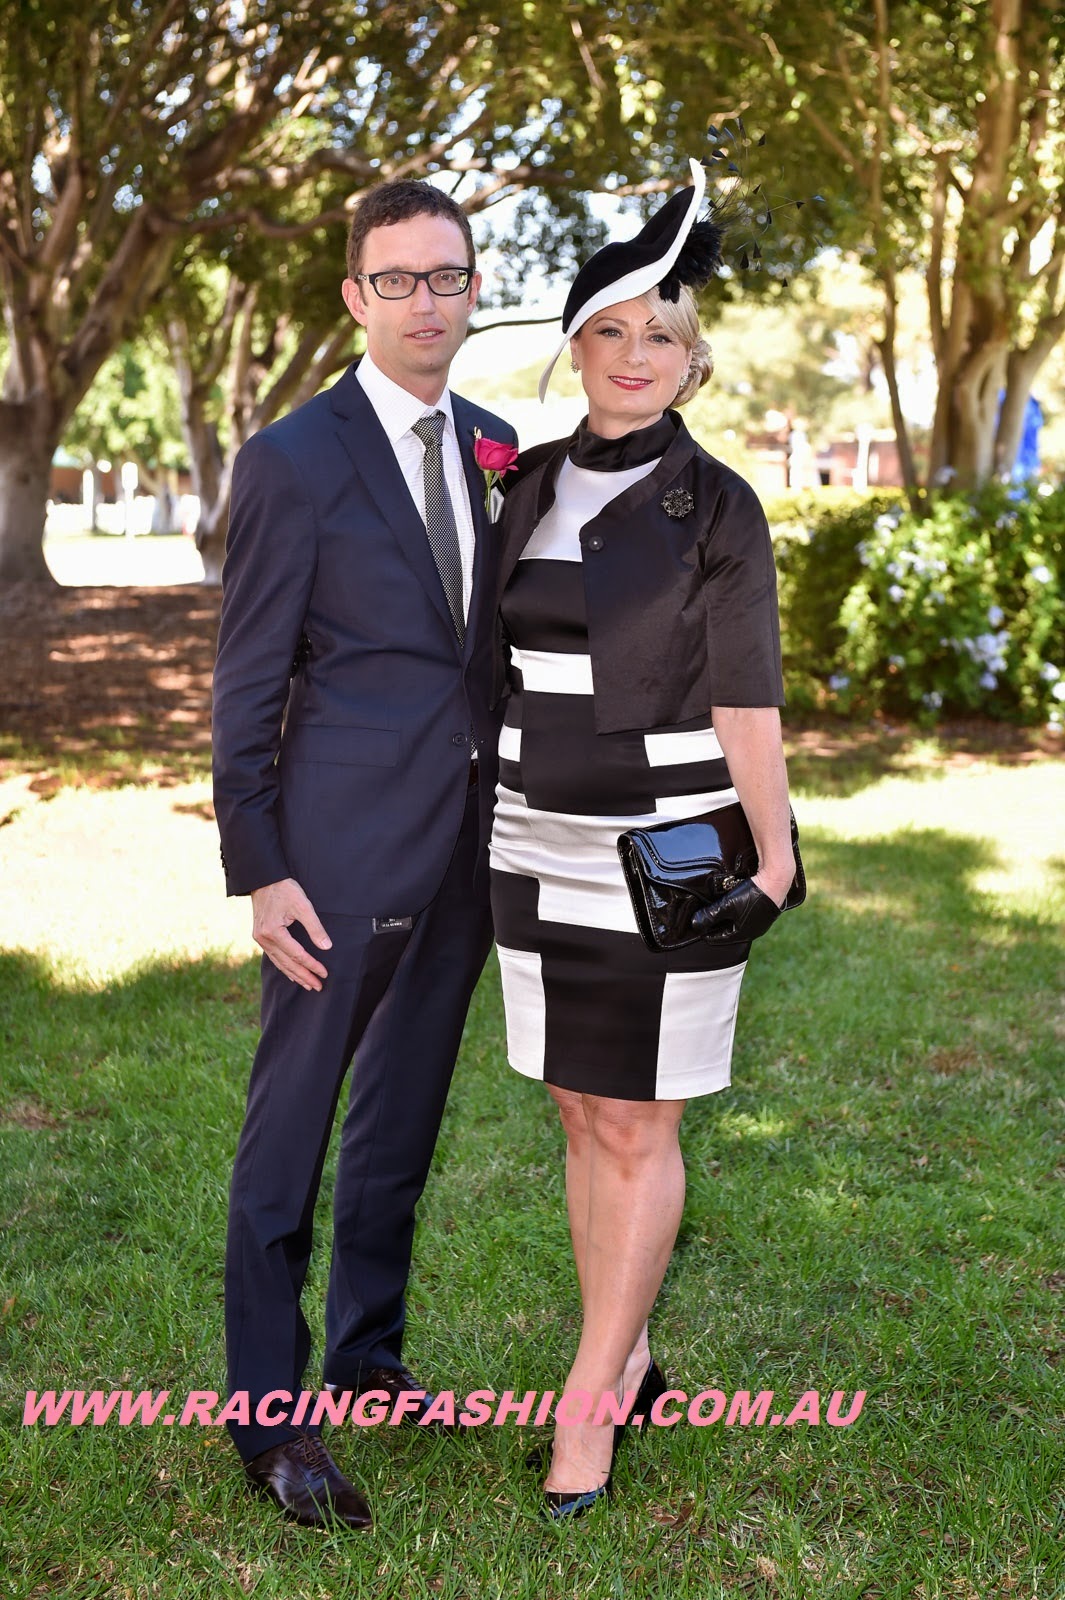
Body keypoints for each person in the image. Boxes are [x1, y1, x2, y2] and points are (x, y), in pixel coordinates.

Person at [489, 159, 797, 1518]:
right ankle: (632, 1347)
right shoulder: (528, 479)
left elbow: (747, 695)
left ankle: (590, 1400)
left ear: (692, 361)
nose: (633, 354)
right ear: (575, 349)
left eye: (659, 333)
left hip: (665, 848)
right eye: (609, 329)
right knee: (577, 1105)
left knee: (637, 1122)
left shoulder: (717, 504)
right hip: (526, 839)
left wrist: (772, 860)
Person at [212, 179, 516, 1530]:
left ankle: (371, 1359)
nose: (425, 304)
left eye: (446, 277)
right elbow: (245, 680)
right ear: (354, 296)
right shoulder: (292, 459)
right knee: (292, 1136)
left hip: (465, 845)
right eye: (397, 280)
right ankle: (272, 1426)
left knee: (401, 1122)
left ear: (470, 289)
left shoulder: (498, 444)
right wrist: (261, 866)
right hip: (332, 855)